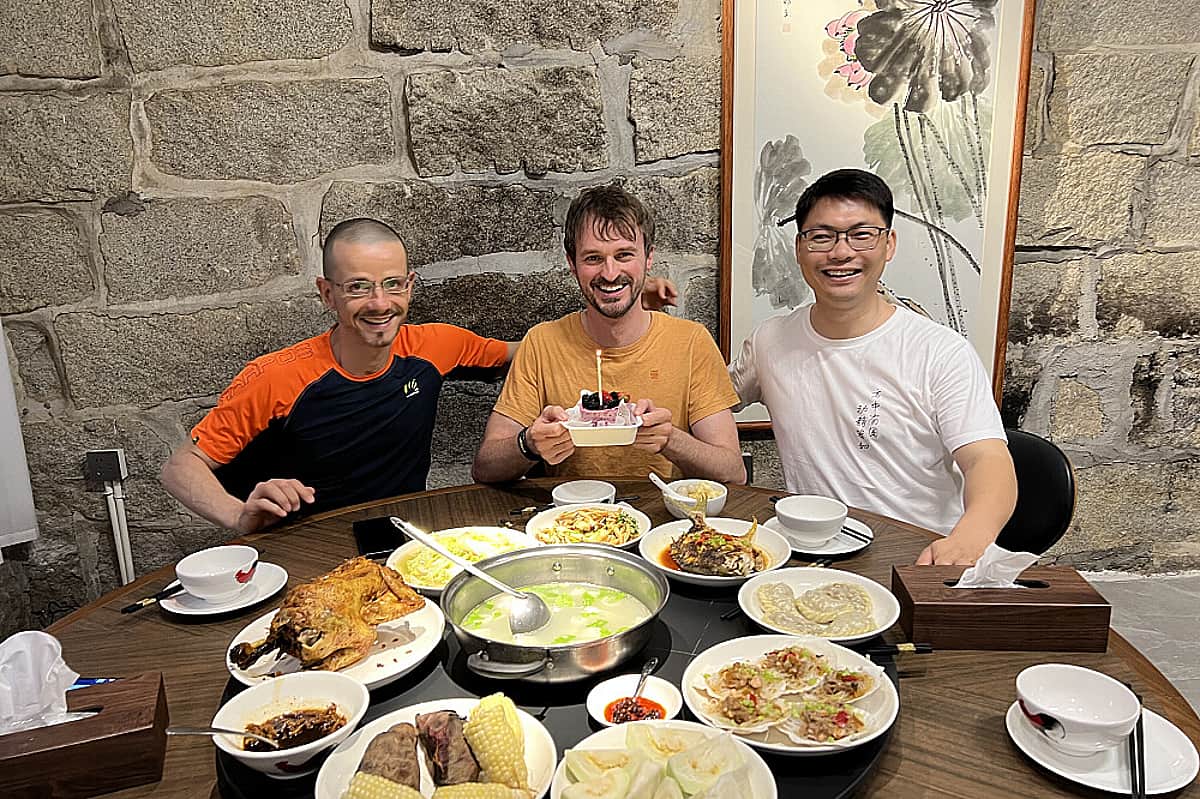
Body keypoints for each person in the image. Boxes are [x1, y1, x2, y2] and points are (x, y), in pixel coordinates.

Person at [161, 218, 678, 534]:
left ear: (409, 286)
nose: (379, 303)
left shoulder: (435, 346)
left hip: (400, 534)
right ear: (326, 293)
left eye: (392, 284)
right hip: (300, 542)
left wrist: (624, 304)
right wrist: (239, 516)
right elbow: (181, 467)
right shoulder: (276, 377)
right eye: (358, 287)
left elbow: (541, 349)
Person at [728, 169, 1016, 565]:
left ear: (889, 244)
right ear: (799, 247)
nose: (840, 252)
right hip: (814, 554)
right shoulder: (769, 341)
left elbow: (987, 459)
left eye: (861, 234)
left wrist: (970, 539)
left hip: (919, 557)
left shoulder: (940, 351)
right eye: (821, 236)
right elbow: (705, 403)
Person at [472, 184, 746, 485]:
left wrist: (671, 439)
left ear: (648, 257)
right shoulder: (541, 343)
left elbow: (733, 471)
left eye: (624, 254)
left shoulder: (691, 342)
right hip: (570, 513)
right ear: (572, 264)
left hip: (664, 515)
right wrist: (528, 444)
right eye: (593, 258)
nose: (610, 273)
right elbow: (485, 467)